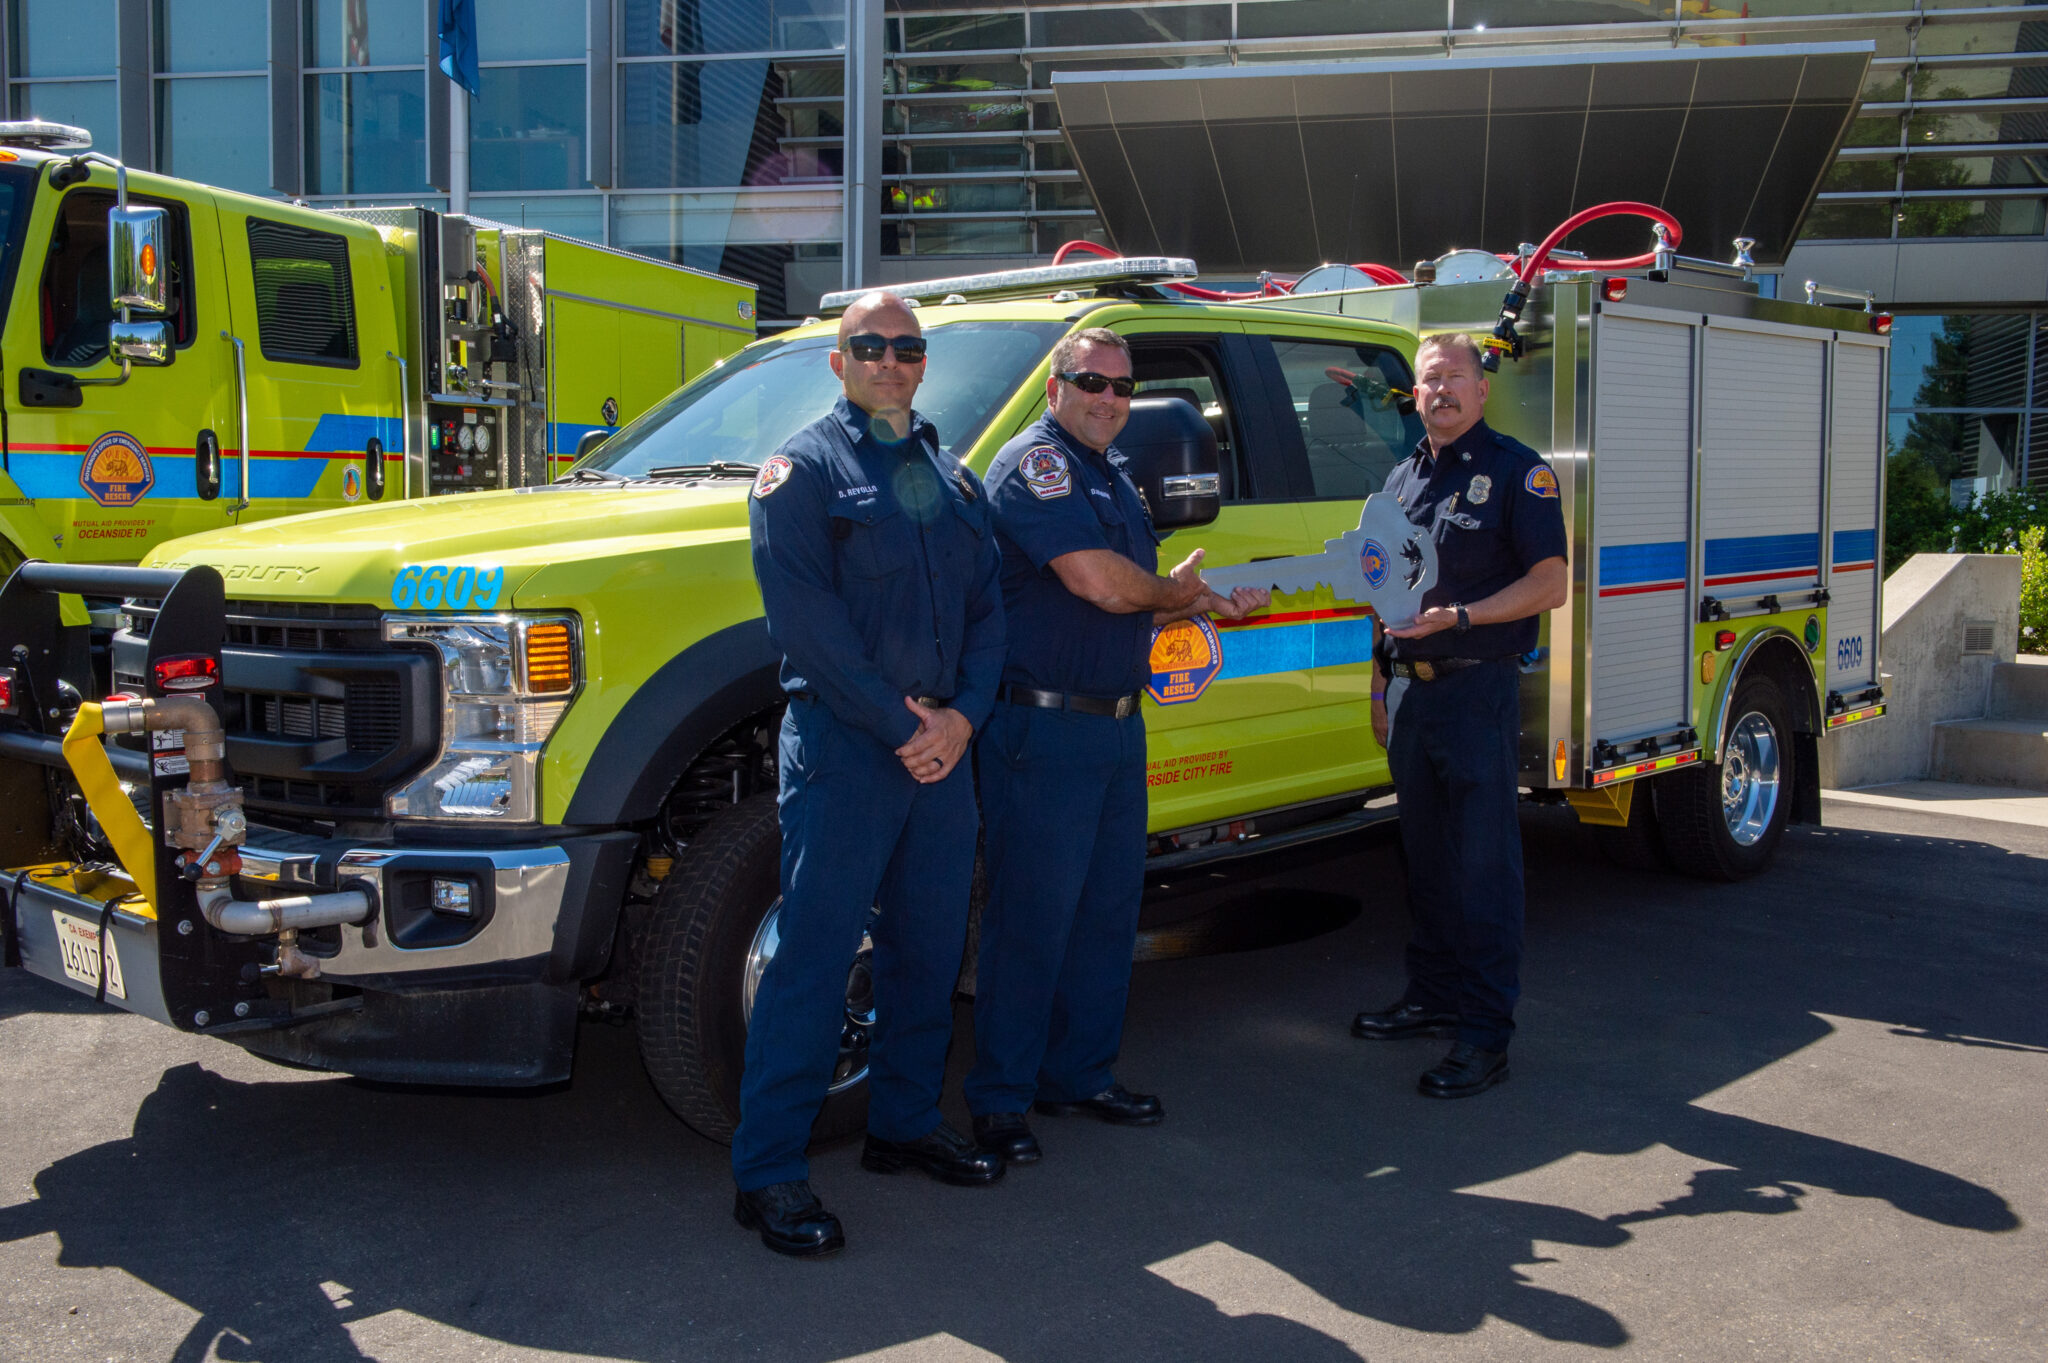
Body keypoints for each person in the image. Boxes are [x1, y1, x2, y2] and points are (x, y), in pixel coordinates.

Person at [734, 292, 1007, 1257]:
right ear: (838, 360)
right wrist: (906, 726)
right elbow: (807, 625)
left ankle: (901, 1124)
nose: (890, 360)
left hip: (943, 750)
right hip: (851, 749)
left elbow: (988, 615)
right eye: (870, 345)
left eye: (906, 346)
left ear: (923, 362)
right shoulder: (801, 473)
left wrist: (963, 719)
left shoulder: (954, 476)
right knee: (814, 957)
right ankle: (767, 1170)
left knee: (929, 949)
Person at [966, 328, 1268, 1163]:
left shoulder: (1113, 474)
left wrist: (1196, 602)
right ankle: (1000, 1100)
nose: (1110, 398)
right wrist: (1172, 591)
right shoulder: (1038, 464)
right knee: (1033, 916)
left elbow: (1137, 601)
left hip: (1113, 722)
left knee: (1105, 912)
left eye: (1123, 387)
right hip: (1044, 725)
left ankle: (1080, 1075)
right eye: (1092, 381)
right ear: (1055, 387)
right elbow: (1097, 583)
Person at [1351, 331, 1569, 1099]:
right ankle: (1433, 994)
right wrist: (1379, 684)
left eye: (1453, 378)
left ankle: (1484, 1034)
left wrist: (1467, 618)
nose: (1439, 391)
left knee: (1484, 868)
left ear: (1481, 390)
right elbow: (1383, 587)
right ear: (1412, 396)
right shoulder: (1403, 477)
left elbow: (1551, 582)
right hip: (1413, 693)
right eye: (1427, 380)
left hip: (1478, 688)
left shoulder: (1518, 472)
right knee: (1428, 859)